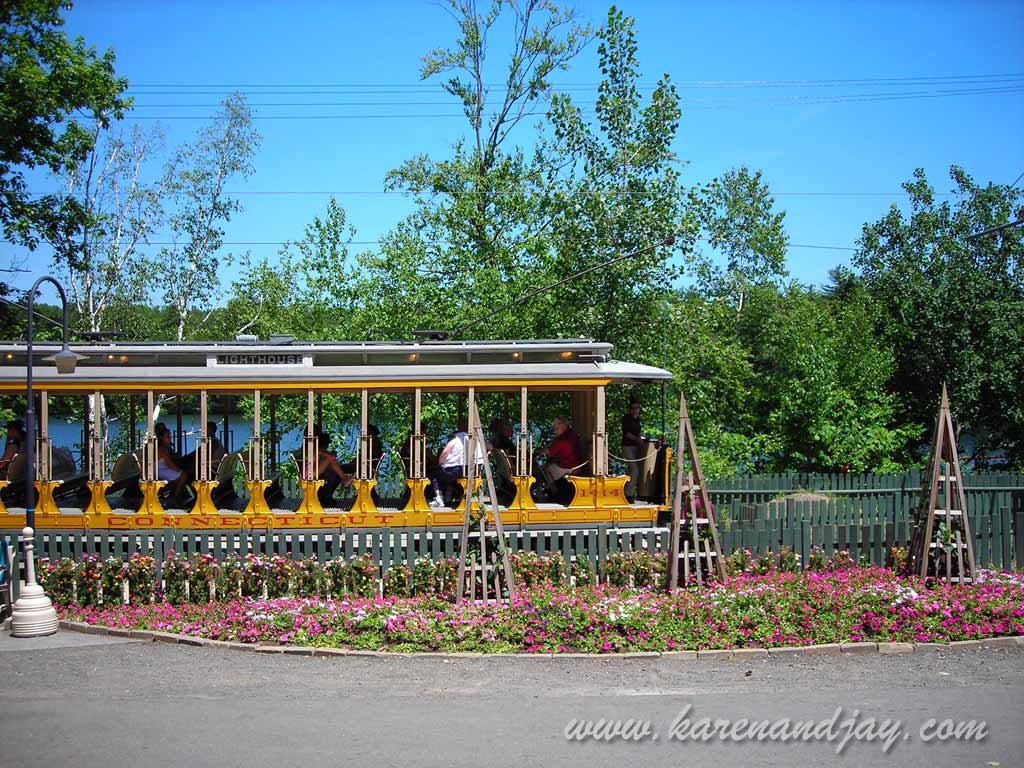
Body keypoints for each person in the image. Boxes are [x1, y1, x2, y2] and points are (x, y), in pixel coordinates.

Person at [429, 419, 480, 508]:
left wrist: (440, 463)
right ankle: (448, 496)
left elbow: (444, 453)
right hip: (474, 470)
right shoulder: (475, 440)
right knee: (450, 477)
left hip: (456, 470)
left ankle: (439, 498)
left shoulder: (456, 440)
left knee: (437, 474)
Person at [539, 416, 583, 493]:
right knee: (550, 464)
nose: (555, 427)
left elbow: (549, 451)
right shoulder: (571, 433)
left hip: (569, 466)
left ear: (563, 425)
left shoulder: (564, 438)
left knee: (545, 469)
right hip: (575, 464)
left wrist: (537, 451)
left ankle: (554, 492)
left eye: (557, 425)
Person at [155, 424, 190, 506]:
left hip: (160, 469)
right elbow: (169, 464)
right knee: (184, 475)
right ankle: (175, 498)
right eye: (167, 437)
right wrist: (179, 470)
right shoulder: (162, 449)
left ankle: (177, 495)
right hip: (160, 470)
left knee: (181, 473)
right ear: (161, 437)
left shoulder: (162, 446)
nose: (170, 439)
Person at [621, 400, 646, 501]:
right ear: (630, 409)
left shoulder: (638, 420)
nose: (635, 410)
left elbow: (637, 433)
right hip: (627, 446)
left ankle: (626, 491)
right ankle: (629, 494)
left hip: (636, 447)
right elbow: (626, 433)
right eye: (633, 408)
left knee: (631, 470)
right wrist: (637, 439)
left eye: (637, 408)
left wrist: (641, 439)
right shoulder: (626, 419)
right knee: (635, 470)